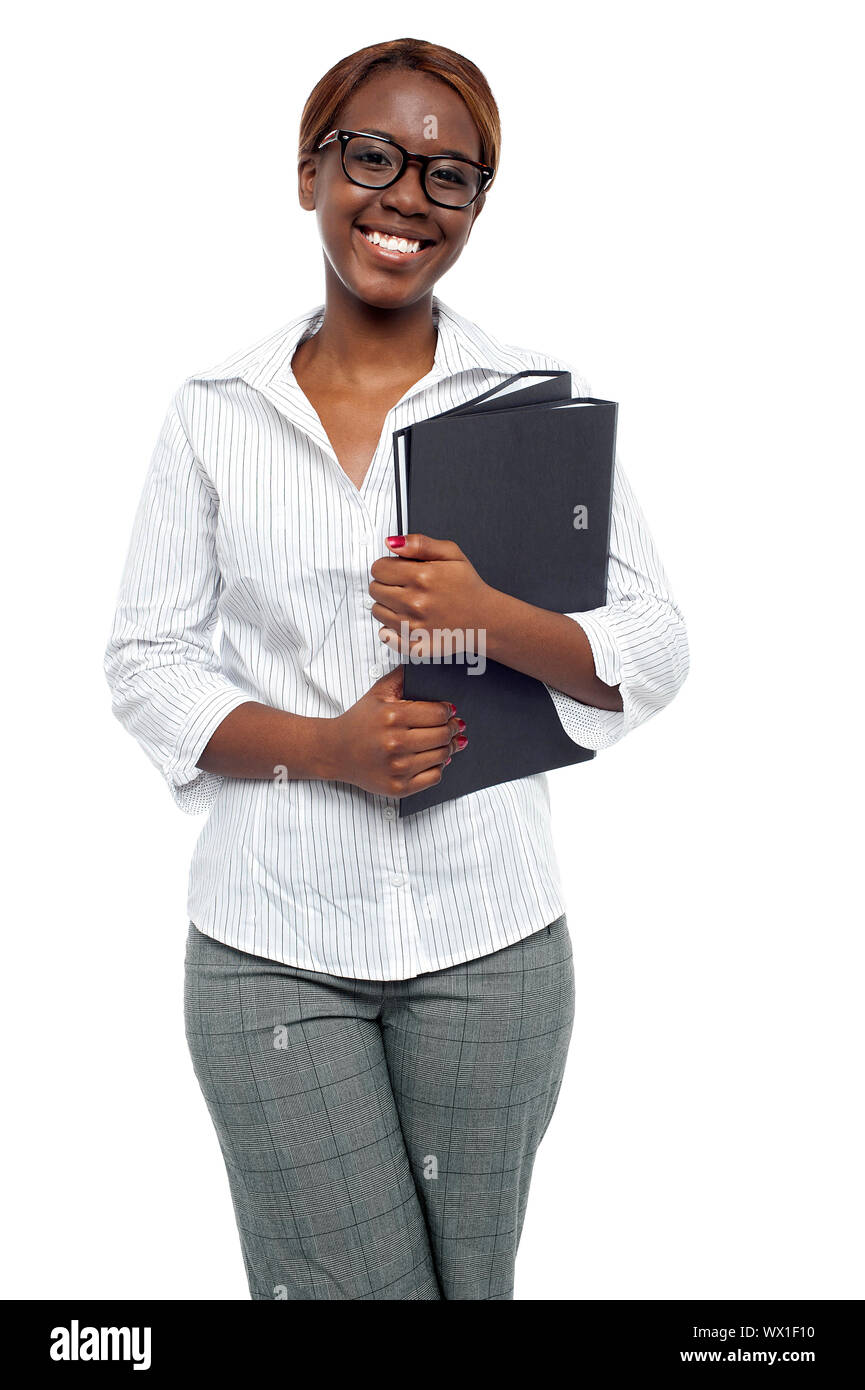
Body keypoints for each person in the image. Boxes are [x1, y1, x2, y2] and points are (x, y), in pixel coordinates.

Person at [103, 36, 689, 1301]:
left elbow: (653, 644)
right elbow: (145, 660)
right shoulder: (215, 408)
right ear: (309, 171)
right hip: (271, 943)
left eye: (449, 174)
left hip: (495, 946)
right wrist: (324, 748)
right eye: (371, 155)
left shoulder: (533, 404)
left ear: (479, 203)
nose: (406, 197)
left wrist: (492, 615)